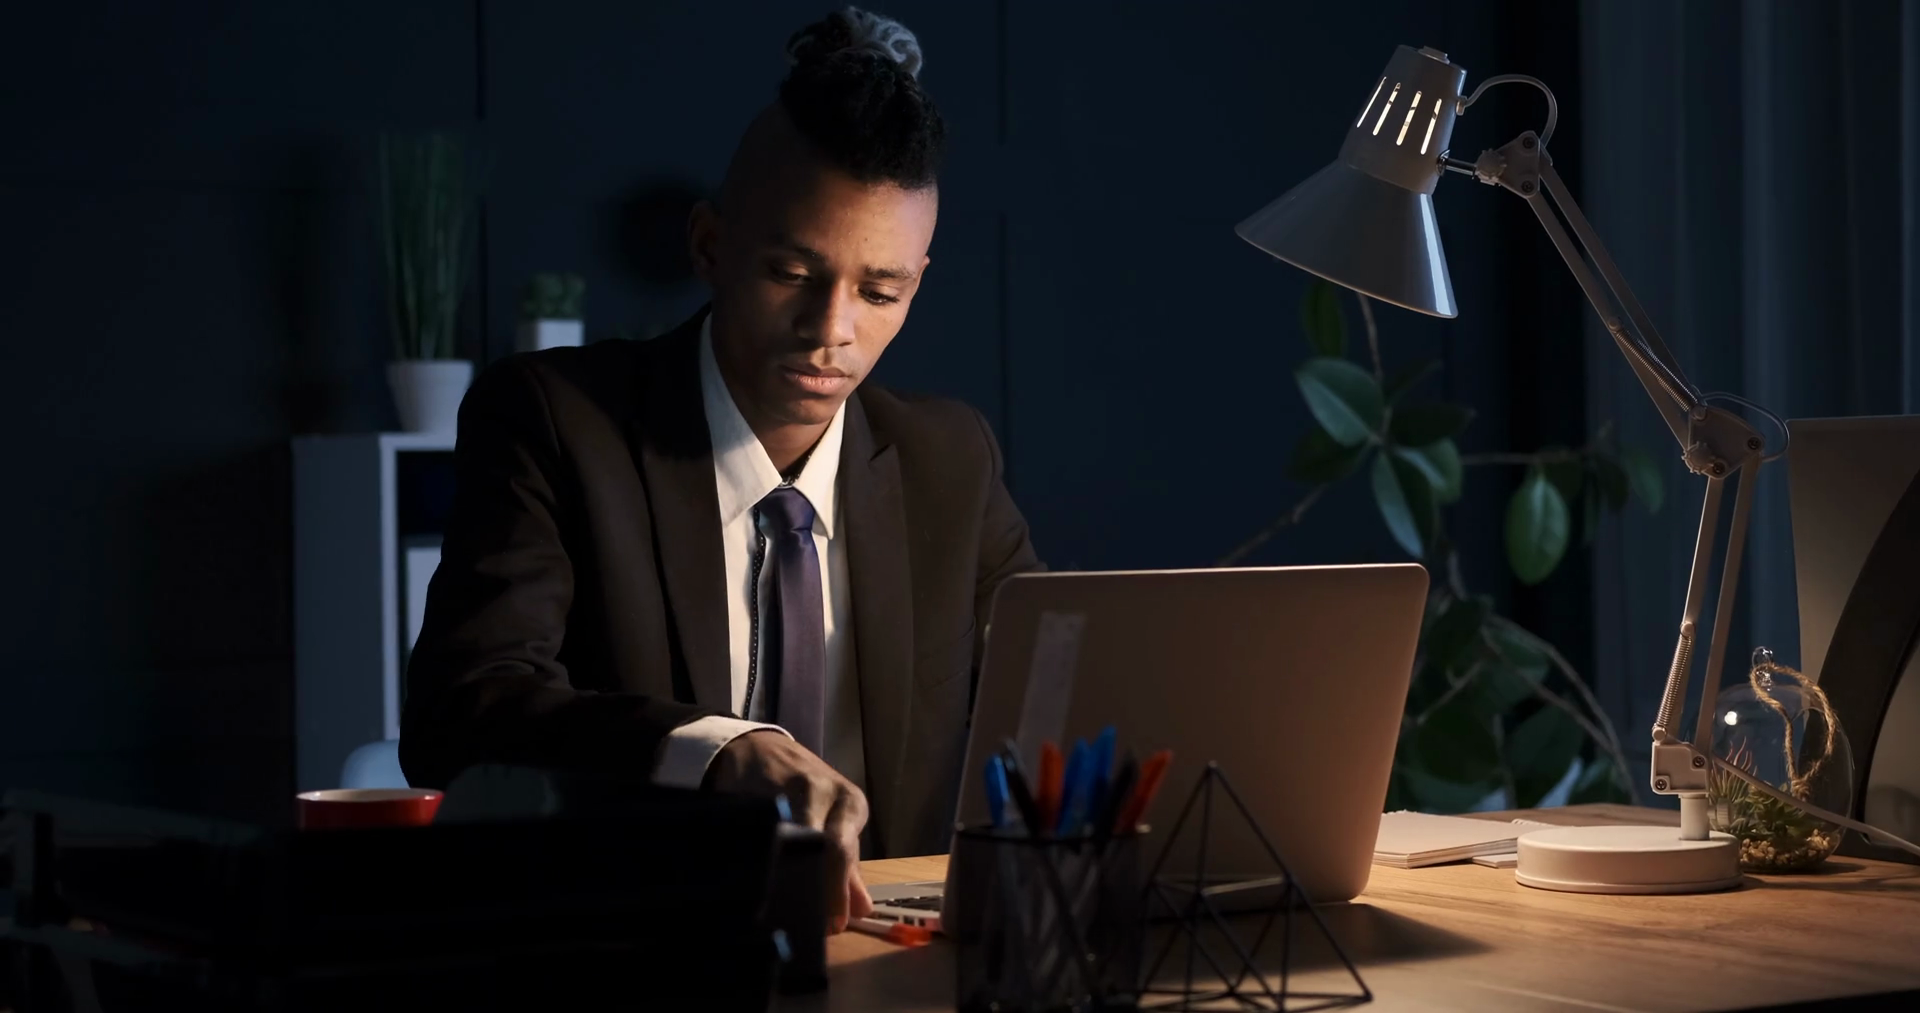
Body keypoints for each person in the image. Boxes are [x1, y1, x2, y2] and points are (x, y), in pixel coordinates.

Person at [399, 7, 1041, 934]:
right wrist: (717, 750)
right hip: (636, 949)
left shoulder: (950, 458)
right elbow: (462, 709)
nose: (833, 331)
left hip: (892, 952)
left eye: (879, 290)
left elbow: (1064, 680)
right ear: (709, 247)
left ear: (918, 282)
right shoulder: (554, 418)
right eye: (792, 273)